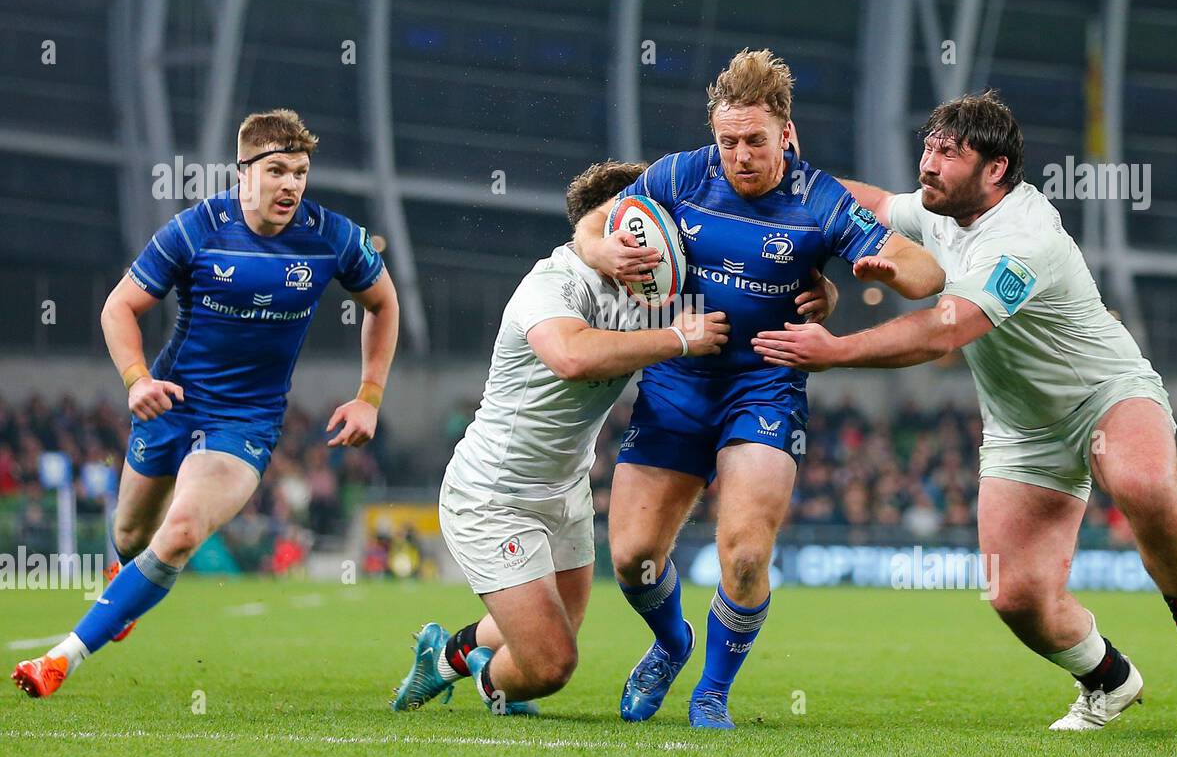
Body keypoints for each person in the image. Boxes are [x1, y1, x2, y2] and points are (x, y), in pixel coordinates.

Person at [753, 90, 1177, 729]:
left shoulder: (1023, 237)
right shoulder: (940, 211)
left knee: (1143, 482)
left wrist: (836, 352)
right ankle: (1108, 680)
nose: (928, 164)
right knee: (1014, 595)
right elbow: (870, 201)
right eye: (928, 146)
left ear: (994, 171)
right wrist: (790, 175)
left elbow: (945, 331)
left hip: (1106, 393)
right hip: (1021, 428)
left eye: (949, 153)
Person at [572, 49, 945, 728]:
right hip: (677, 380)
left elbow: (925, 274)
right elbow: (591, 226)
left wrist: (882, 269)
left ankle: (712, 692)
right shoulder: (682, 173)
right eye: (728, 140)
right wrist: (605, 252)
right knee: (630, 560)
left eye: (755, 141)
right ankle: (671, 643)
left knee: (743, 555)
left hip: (765, 386)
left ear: (786, 134)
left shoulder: (819, 199)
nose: (739, 155)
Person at [390, 160, 802, 715]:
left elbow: (751, 279)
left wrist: (819, 291)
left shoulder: (643, 290)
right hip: (493, 496)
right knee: (550, 666)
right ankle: (496, 689)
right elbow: (572, 357)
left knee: (554, 625)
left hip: (565, 492)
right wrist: (680, 338)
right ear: (619, 228)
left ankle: (444, 657)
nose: (659, 249)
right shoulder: (552, 284)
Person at [12, 109, 398, 698]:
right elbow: (118, 308)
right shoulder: (195, 229)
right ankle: (126, 584)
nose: (291, 184)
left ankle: (62, 657)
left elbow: (383, 302)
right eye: (276, 171)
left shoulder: (333, 237)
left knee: (183, 529)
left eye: (300, 172)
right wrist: (136, 379)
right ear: (243, 173)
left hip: (245, 421)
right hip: (171, 403)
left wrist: (370, 394)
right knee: (132, 533)